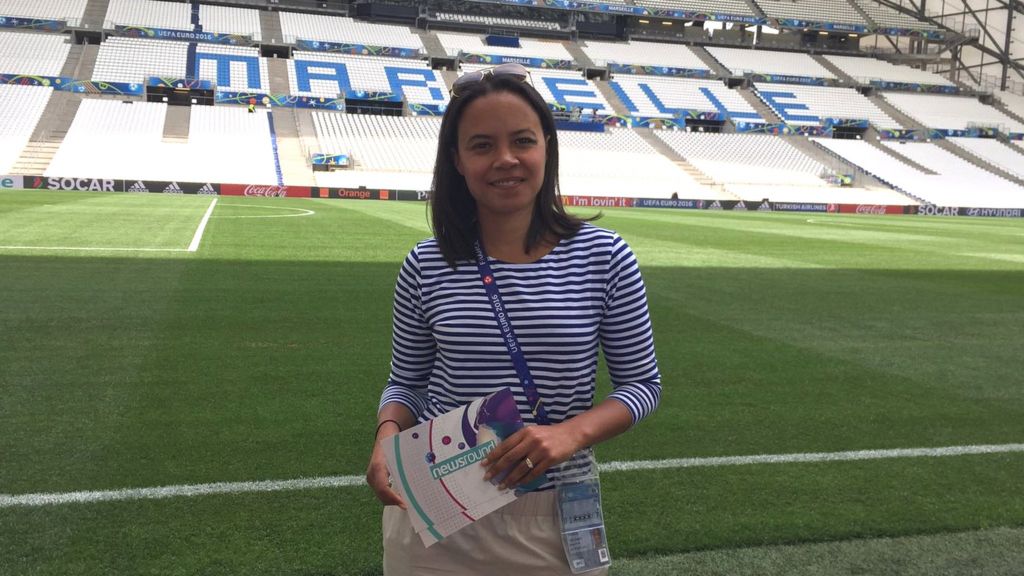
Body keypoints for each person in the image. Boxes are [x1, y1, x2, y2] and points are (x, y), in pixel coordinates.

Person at [365, 62, 662, 575]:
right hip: (437, 509)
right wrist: (387, 433)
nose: (505, 159)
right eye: (481, 146)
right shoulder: (427, 263)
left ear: (547, 144)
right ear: (456, 159)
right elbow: (407, 382)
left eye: (522, 141)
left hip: (553, 514)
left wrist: (569, 434)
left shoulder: (605, 256)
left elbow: (642, 385)